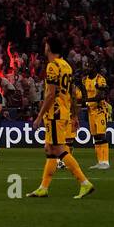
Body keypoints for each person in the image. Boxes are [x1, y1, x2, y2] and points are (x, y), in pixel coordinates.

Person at [26, 37, 94, 199]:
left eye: (46, 45)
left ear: (49, 48)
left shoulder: (52, 66)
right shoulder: (66, 66)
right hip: (63, 111)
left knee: (59, 149)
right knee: (49, 149)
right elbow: (70, 92)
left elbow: (50, 94)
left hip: (55, 113)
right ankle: (43, 187)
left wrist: (39, 116)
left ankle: (84, 183)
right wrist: (74, 114)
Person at [80, 67, 110, 169]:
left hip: (100, 110)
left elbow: (100, 96)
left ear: (94, 68)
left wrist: (86, 100)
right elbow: (85, 93)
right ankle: (100, 162)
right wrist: (85, 101)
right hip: (90, 110)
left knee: (101, 135)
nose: (87, 68)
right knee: (96, 137)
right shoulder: (84, 80)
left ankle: (106, 162)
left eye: (89, 66)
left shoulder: (100, 79)